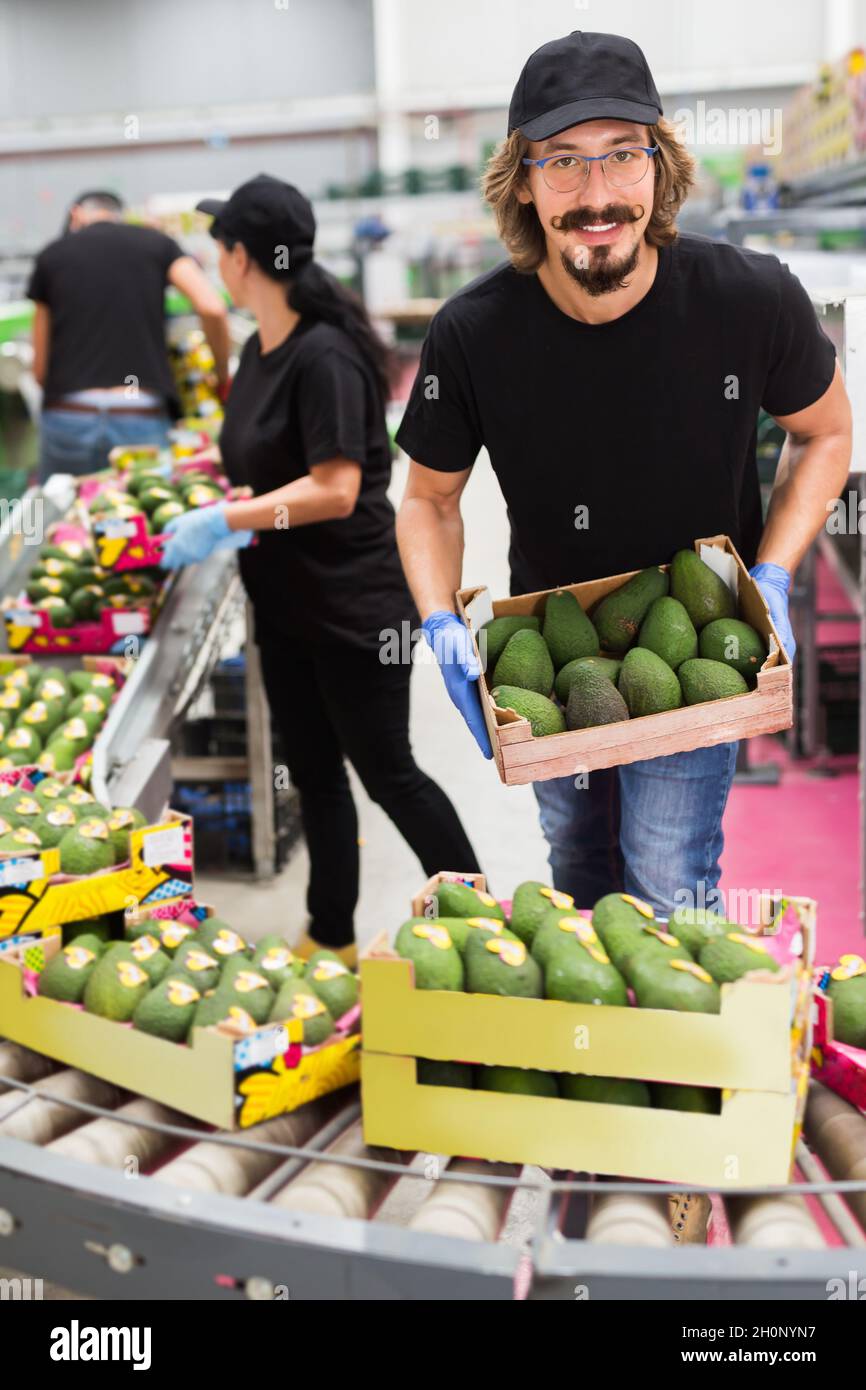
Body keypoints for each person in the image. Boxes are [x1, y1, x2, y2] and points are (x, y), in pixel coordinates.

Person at [394, 31, 852, 1244]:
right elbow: (426, 499)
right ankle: (601, 1092)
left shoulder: (744, 297)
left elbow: (826, 434)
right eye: (561, 162)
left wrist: (769, 570)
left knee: (663, 879)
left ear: (657, 168)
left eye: (619, 155)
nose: (594, 193)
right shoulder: (473, 333)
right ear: (520, 181)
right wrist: (439, 620)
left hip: (694, 660)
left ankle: (673, 1146)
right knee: (577, 878)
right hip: (556, 666)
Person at [159, 174, 481, 966]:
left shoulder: (323, 354)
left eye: (219, 246)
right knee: (315, 775)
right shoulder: (262, 351)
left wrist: (225, 520)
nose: (215, 260)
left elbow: (337, 490)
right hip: (287, 604)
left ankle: (484, 925)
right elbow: (277, 463)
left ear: (240, 258)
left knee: (388, 775)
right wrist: (215, 482)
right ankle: (330, 931)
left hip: (354, 608)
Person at [28, 190, 230, 481]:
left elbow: (39, 370)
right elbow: (212, 307)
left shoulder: (52, 255)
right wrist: (221, 376)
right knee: (142, 512)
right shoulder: (157, 244)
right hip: (138, 413)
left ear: (76, 214)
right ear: (119, 213)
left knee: (63, 518)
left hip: (68, 412)